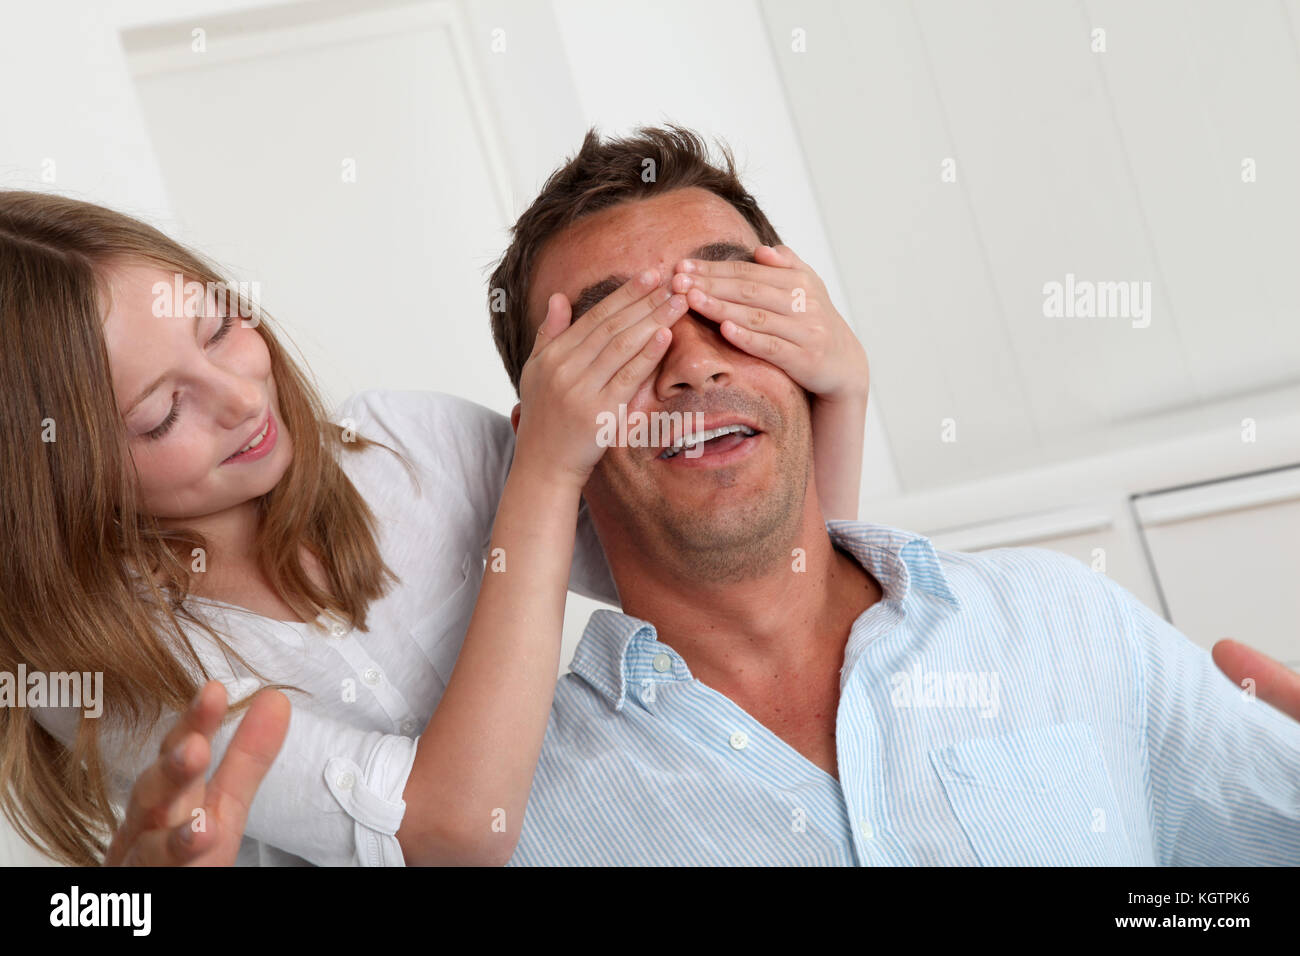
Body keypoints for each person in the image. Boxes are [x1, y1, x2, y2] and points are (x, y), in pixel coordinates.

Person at [110, 124, 1300, 866]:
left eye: (734, 307)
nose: (690, 358)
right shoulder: (522, 811)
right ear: (551, 443)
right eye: (621, 342)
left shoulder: (1060, 625)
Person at [0, 181, 869, 866]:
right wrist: (545, 469)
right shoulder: (110, 673)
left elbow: (767, 585)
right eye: (159, 417)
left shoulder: (409, 445)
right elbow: (452, 834)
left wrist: (845, 388)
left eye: (223, 327)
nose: (240, 398)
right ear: (53, 474)